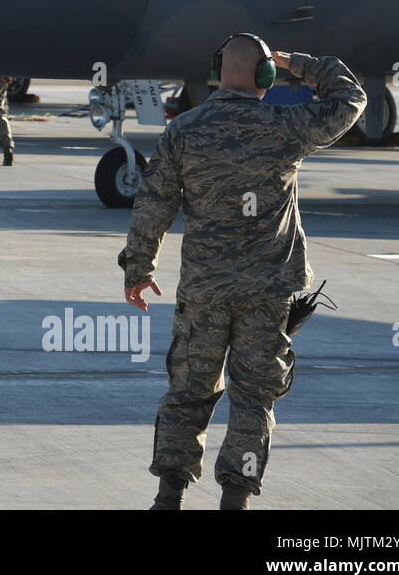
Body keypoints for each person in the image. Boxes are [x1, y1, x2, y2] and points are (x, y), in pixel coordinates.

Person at [120, 34, 365, 510]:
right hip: (268, 292)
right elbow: (350, 99)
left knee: (189, 391)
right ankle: (235, 496)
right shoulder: (285, 126)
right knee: (254, 397)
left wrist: (138, 268)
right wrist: (304, 64)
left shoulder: (185, 130)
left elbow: (153, 203)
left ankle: (168, 495)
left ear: (218, 72)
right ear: (267, 76)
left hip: (205, 290)